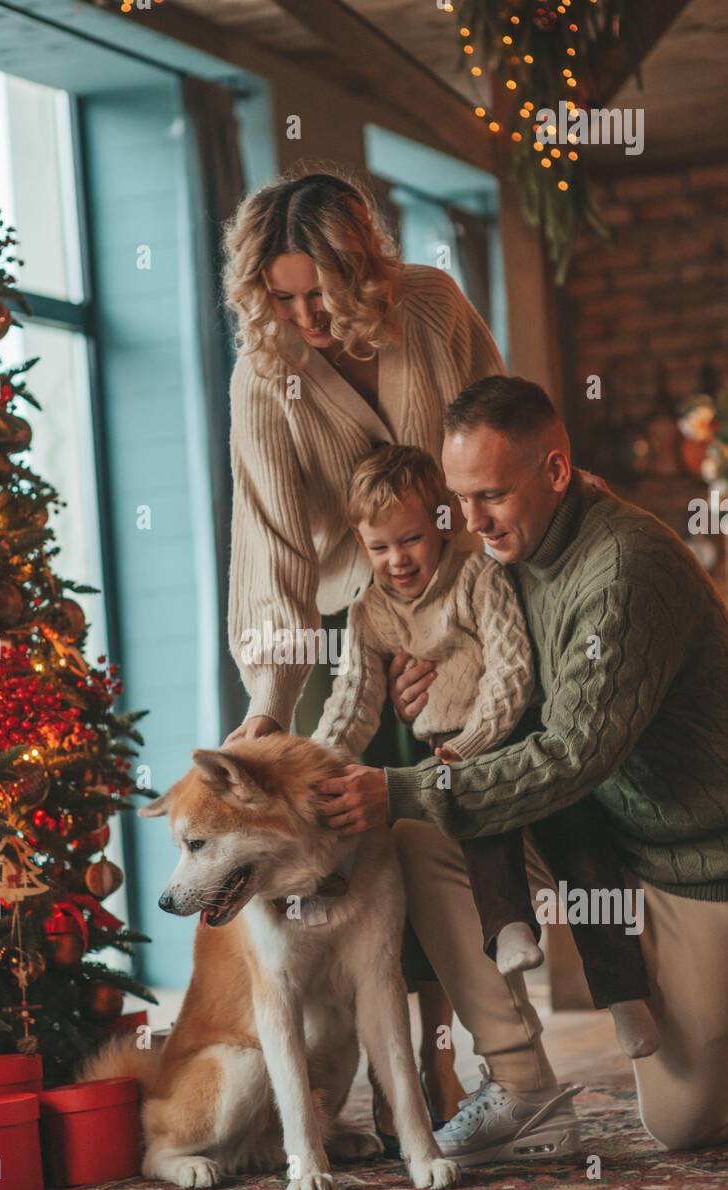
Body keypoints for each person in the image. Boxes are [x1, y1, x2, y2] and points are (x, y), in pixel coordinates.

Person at [318, 375, 728, 1164]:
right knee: (423, 835)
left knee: (681, 1122)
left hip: (699, 855)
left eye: (491, 496)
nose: (469, 521)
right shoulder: (509, 551)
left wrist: (401, 782)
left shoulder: (624, 573)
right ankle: (522, 1086)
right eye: (460, 499)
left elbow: (571, 754)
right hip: (608, 833)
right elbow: (481, 664)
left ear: (557, 473)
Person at [222, 169, 504, 1128]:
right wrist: (268, 702)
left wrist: (460, 638)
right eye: (282, 296)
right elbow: (270, 543)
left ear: (361, 266)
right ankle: (413, 1076)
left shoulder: (432, 308)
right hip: (360, 645)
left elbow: (493, 446)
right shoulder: (265, 374)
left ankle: (474, 1060)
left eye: (322, 292)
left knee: (452, 850)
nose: (304, 315)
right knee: (381, 870)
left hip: (463, 606)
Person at [315, 441, 659, 1060]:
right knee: (476, 829)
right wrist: (319, 759)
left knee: (586, 859)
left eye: (411, 540)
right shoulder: (367, 614)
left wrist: (473, 743)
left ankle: (624, 996)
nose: (397, 560)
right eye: (379, 547)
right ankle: (508, 929)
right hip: (454, 756)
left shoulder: (477, 574)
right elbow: (353, 698)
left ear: (443, 524)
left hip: (523, 734)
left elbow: (511, 670)